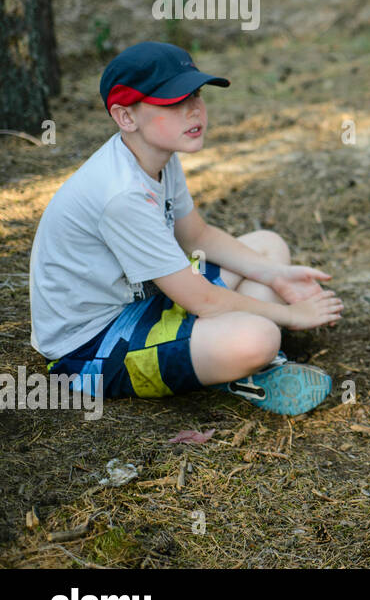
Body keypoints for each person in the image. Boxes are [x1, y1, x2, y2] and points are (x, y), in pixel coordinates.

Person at [30, 42, 342, 416]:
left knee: (268, 247)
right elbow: (203, 301)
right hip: (93, 348)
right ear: (125, 117)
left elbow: (198, 237)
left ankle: (222, 357)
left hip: (143, 301)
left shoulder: (156, 155)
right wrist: (295, 315)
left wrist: (279, 276)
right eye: (172, 102)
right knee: (261, 336)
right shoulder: (121, 194)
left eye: (195, 94)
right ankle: (239, 368)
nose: (194, 108)